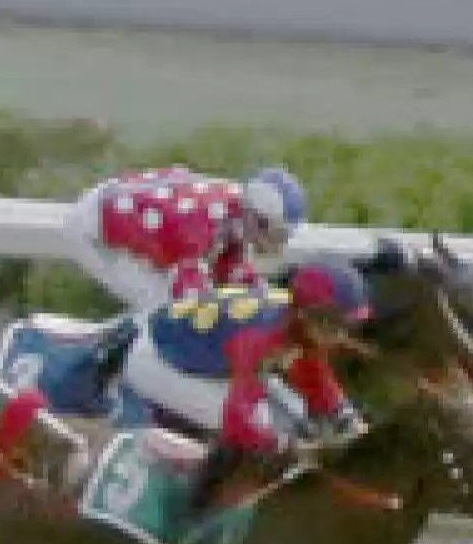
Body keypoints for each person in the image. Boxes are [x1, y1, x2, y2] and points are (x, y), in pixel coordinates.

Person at [119, 260, 371, 517]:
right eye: (335, 325)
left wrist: (342, 413)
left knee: (291, 416)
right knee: (261, 426)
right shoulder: (260, 337)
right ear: (307, 313)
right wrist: (284, 445)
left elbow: (311, 372)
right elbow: (237, 420)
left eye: (346, 327)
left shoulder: (293, 319)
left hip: (198, 351)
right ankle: (192, 507)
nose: (341, 335)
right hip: (153, 358)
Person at [58, 163, 309, 398]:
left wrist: (258, 294)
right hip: (93, 229)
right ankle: (100, 371)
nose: (278, 245)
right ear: (257, 219)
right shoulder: (200, 229)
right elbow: (190, 305)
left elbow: (232, 267)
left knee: (183, 301)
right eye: (276, 234)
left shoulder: (236, 210)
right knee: (160, 308)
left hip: (125, 204)